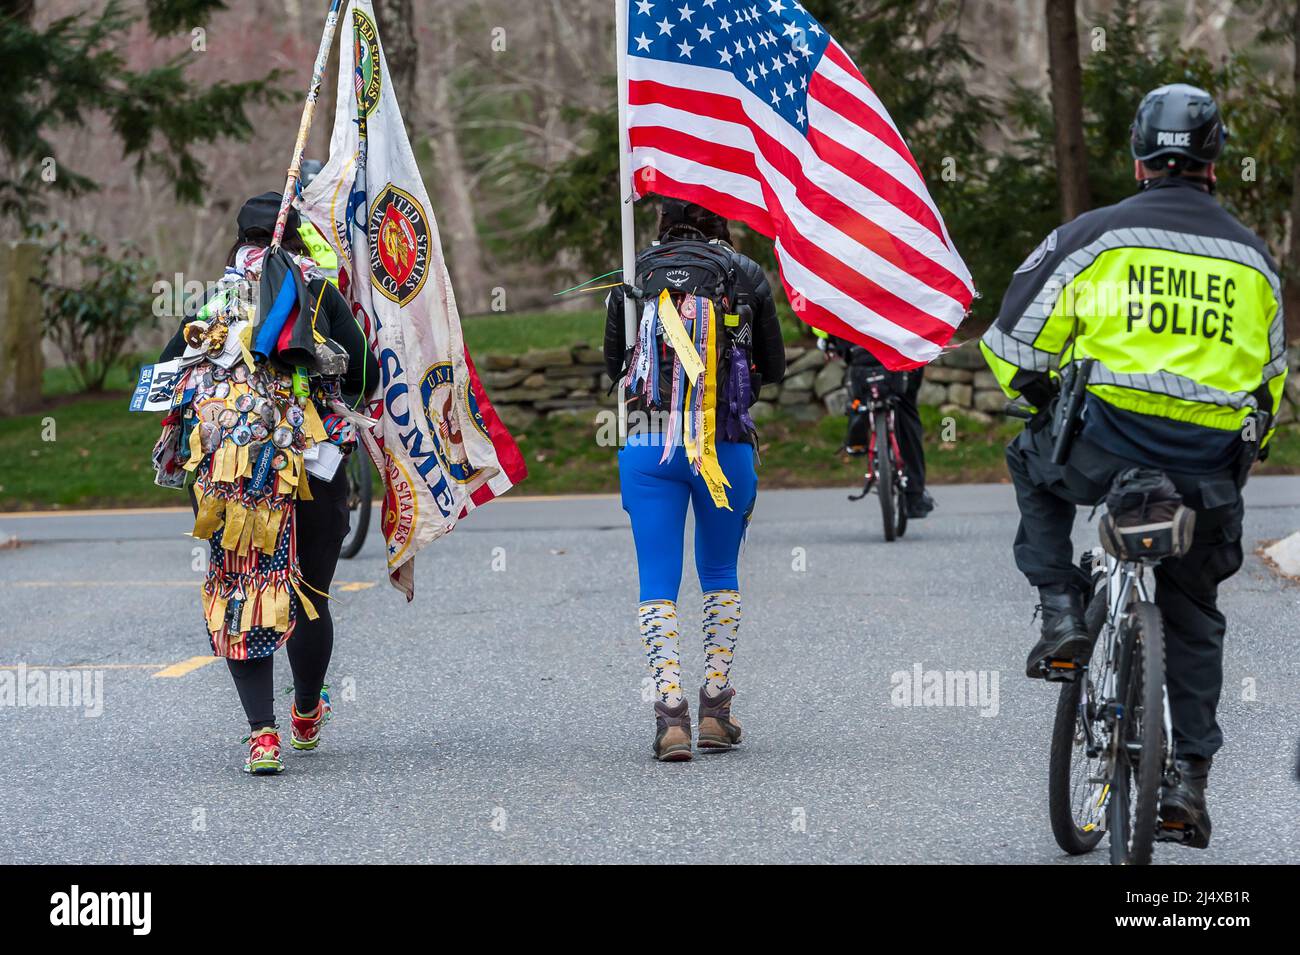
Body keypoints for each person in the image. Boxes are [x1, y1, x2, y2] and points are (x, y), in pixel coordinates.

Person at [980, 84, 1287, 847]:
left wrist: (1045, 394)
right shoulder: (1256, 261)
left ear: (1138, 157)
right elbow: (1269, 392)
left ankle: (1059, 612)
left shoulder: (1095, 236)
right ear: (1215, 161)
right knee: (1193, 612)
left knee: (1027, 456)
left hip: (1106, 452)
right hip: (1205, 475)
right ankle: (1186, 779)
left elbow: (1008, 346)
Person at [160, 191, 378, 774]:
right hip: (312, 468)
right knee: (308, 590)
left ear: (240, 239)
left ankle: (262, 735)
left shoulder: (214, 302)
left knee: (241, 589)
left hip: (233, 480)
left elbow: (166, 373)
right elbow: (365, 372)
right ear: (295, 237)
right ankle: (306, 709)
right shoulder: (319, 294)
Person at [604, 198, 785, 761]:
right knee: (720, 572)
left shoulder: (635, 275)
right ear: (720, 220)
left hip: (647, 445)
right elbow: (773, 369)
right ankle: (714, 709)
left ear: (663, 224)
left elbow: (617, 366)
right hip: (722, 443)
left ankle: (670, 719)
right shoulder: (746, 274)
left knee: (657, 579)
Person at [818, 330, 935, 518]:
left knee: (860, 401)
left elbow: (824, 309)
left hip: (857, 350)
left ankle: (858, 439)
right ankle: (914, 495)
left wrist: (827, 340)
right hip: (901, 349)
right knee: (906, 409)